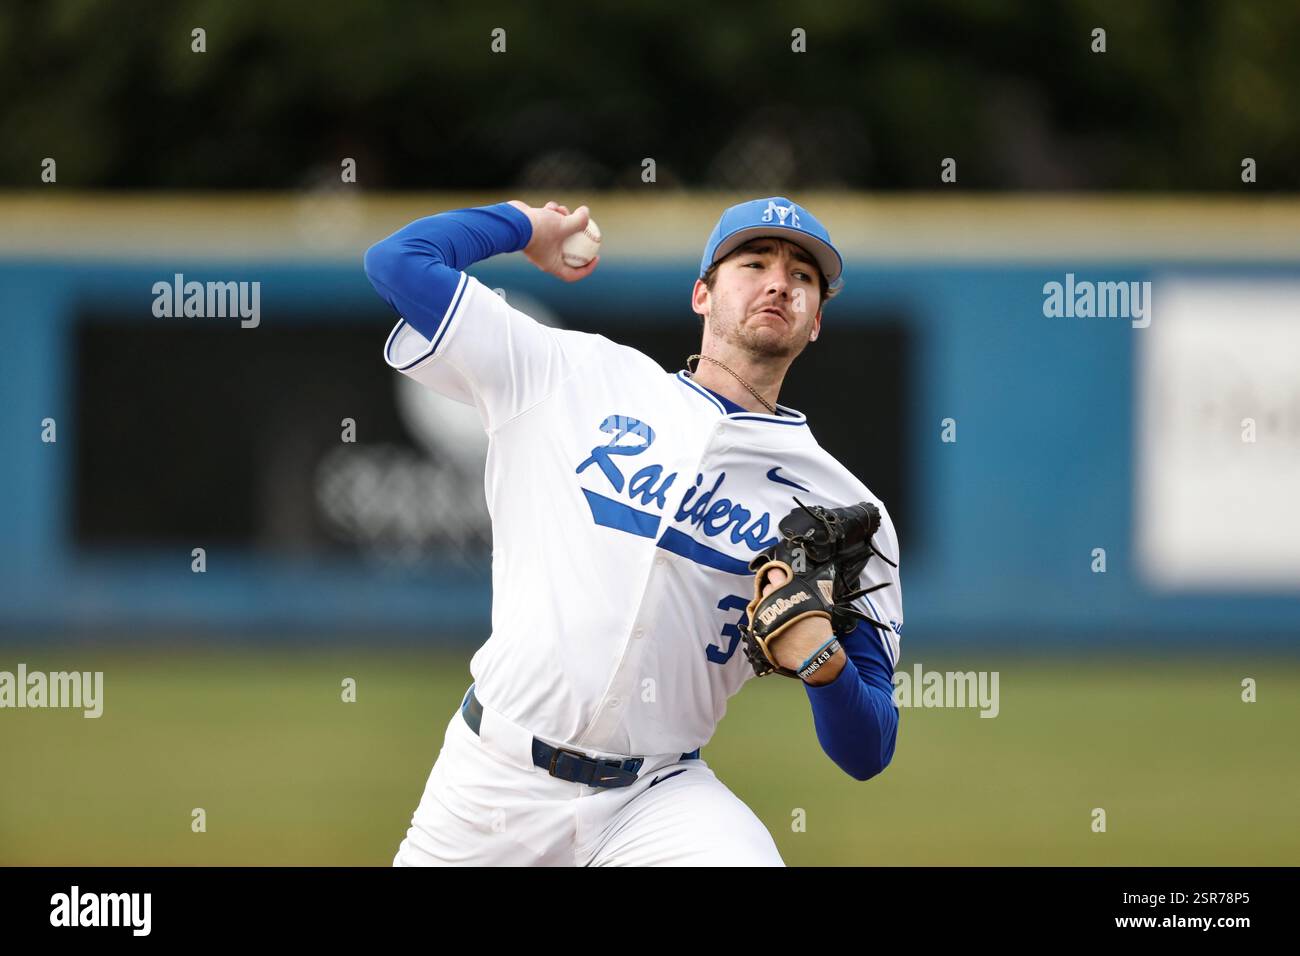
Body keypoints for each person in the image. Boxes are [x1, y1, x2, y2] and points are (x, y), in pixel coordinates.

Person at [363, 196, 902, 866]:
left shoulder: (842, 505)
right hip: (491, 782)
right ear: (702, 293)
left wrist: (826, 666)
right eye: (755, 262)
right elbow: (397, 262)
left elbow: (869, 749)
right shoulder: (571, 374)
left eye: (802, 277)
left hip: (656, 798)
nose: (777, 282)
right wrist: (526, 226)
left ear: (815, 319)